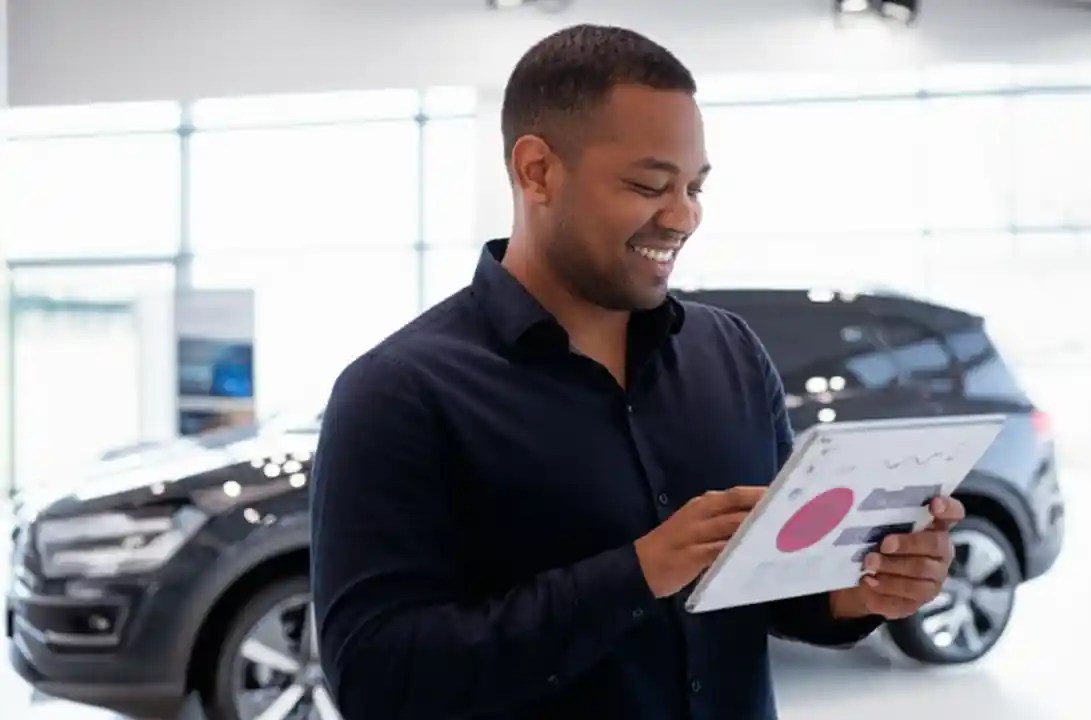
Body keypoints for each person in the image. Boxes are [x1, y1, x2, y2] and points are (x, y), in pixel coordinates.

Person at [310, 23, 963, 720]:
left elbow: (767, 590)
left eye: (694, 187)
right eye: (650, 184)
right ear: (537, 172)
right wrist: (638, 572)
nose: (682, 216)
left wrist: (861, 591)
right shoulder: (398, 394)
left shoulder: (731, 355)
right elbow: (378, 679)